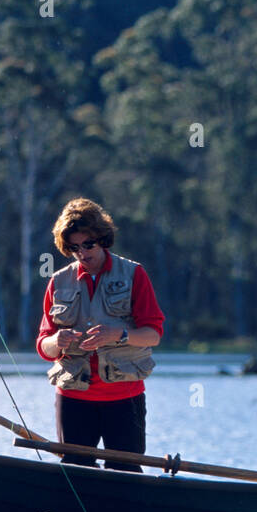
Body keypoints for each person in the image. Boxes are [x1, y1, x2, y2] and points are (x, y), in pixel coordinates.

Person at [36, 198, 165, 469]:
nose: (82, 252)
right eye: (74, 247)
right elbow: (43, 345)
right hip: (73, 399)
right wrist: (56, 342)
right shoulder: (58, 281)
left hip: (124, 397)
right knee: (75, 473)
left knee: (126, 474)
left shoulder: (134, 274)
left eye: (88, 244)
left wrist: (119, 334)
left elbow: (153, 334)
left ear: (102, 238)